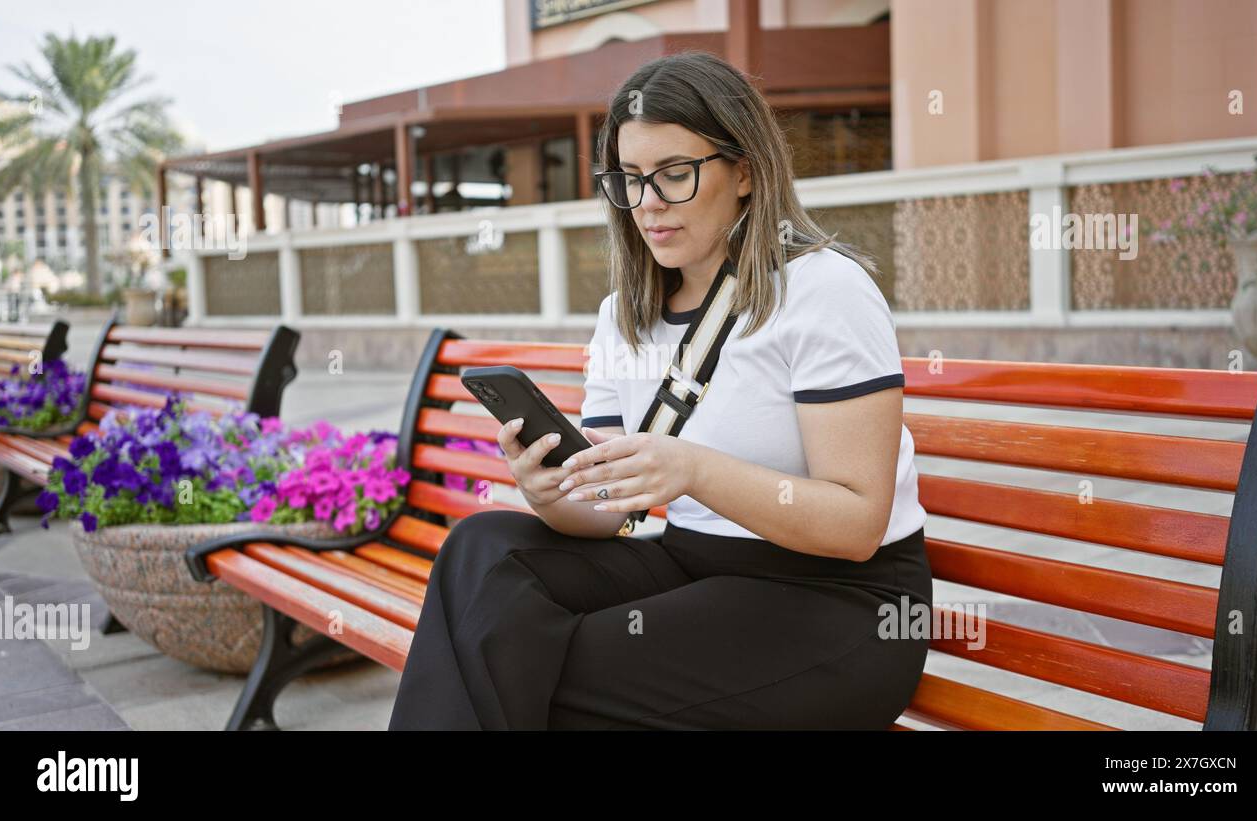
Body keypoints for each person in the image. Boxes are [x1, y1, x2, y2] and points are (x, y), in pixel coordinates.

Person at [387, 50, 931, 731]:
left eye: (674, 174)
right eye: (631, 179)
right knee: (483, 551)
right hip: (696, 569)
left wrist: (693, 470)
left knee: (531, 658)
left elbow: (856, 526)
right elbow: (609, 512)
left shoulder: (823, 291)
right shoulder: (625, 313)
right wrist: (550, 492)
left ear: (745, 171)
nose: (648, 204)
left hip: (837, 603)